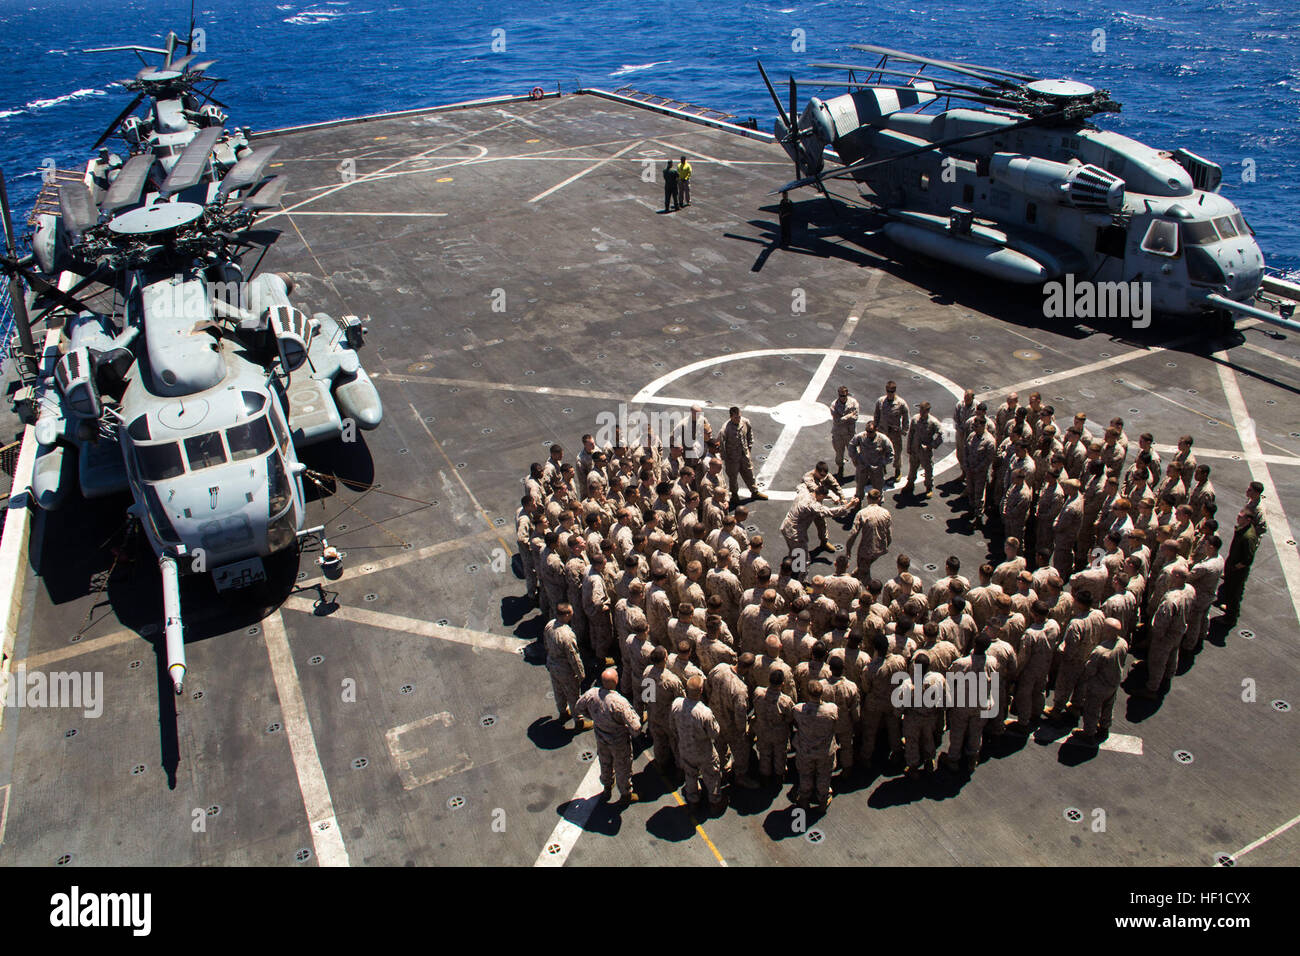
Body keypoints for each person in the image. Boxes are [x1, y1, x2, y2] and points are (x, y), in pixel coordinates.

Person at [575, 668, 643, 803]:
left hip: (601, 736)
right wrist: (627, 730)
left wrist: (594, 718)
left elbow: (579, 707)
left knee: (605, 763)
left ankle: (607, 787)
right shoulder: (619, 702)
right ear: (616, 681)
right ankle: (626, 794)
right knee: (622, 768)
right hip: (618, 741)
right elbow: (636, 727)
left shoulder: (592, 694)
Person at [672, 674, 725, 813]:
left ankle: (693, 800)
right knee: (712, 775)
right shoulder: (704, 712)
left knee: (690, 775)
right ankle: (714, 802)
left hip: (685, 748)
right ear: (701, 690)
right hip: (703, 751)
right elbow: (714, 733)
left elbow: (672, 726)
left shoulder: (676, 704)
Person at [791, 679, 838, 809]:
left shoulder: (798, 709)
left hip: (805, 749)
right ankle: (822, 800)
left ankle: (804, 798)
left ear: (808, 693)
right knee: (824, 775)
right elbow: (835, 725)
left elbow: (794, 723)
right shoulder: (831, 710)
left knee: (805, 774)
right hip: (824, 750)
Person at [544, 604, 587, 729]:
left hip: (552, 664)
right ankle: (579, 721)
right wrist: (581, 674)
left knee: (558, 690)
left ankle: (563, 712)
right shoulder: (567, 635)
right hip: (565, 669)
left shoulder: (550, 625)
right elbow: (574, 657)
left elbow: (546, 643)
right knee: (573, 695)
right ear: (566, 615)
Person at [1215, 509, 1259, 624]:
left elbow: (1248, 559)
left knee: (1233, 593)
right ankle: (1231, 609)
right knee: (1231, 591)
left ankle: (1230, 618)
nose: (1237, 518)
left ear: (1248, 520)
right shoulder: (1241, 529)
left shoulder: (1248, 537)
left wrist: (1234, 568)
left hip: (1237, 571)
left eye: (1240, 517)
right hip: (1232, 565)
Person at [720, 406, 768, 508]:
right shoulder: (725, 428)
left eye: (739, 416)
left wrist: (749, 446)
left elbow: (750, 432)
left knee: (749, 474)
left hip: (744, 455)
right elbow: (720, 443)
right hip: (732, 458)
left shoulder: (745, 422)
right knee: (733, 478)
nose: (738, 419)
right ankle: (734, 496)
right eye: (736, 417)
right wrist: (725, 457)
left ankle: (754, 492)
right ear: (731, 416)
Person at [905, 401, 943, 497]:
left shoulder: (933, 422)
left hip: (925, 452)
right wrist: (909, 447)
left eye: (923, 410)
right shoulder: (915, 419)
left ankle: (928, 487)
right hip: (914, 449)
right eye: (920, 409)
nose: (921, 412)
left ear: (928, 410)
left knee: (928, 469)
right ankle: (910, 483)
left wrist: (931, 445)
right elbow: (911, 434)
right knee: (913, 467)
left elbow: (941, 435)